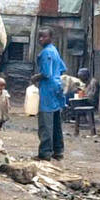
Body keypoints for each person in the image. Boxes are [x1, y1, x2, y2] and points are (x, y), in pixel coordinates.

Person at [30, 27, 67, 160]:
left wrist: (35, 78)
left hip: (48, 89)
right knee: (56, 121)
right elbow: (62, 68)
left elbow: (46, 73)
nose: (41, 39)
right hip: (57, 87)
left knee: (46, 122)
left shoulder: (46, 53)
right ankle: (58, 151)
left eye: (44, 36)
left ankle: (45, 153)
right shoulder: (54, 50)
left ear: (51, 38)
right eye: (39, 36)